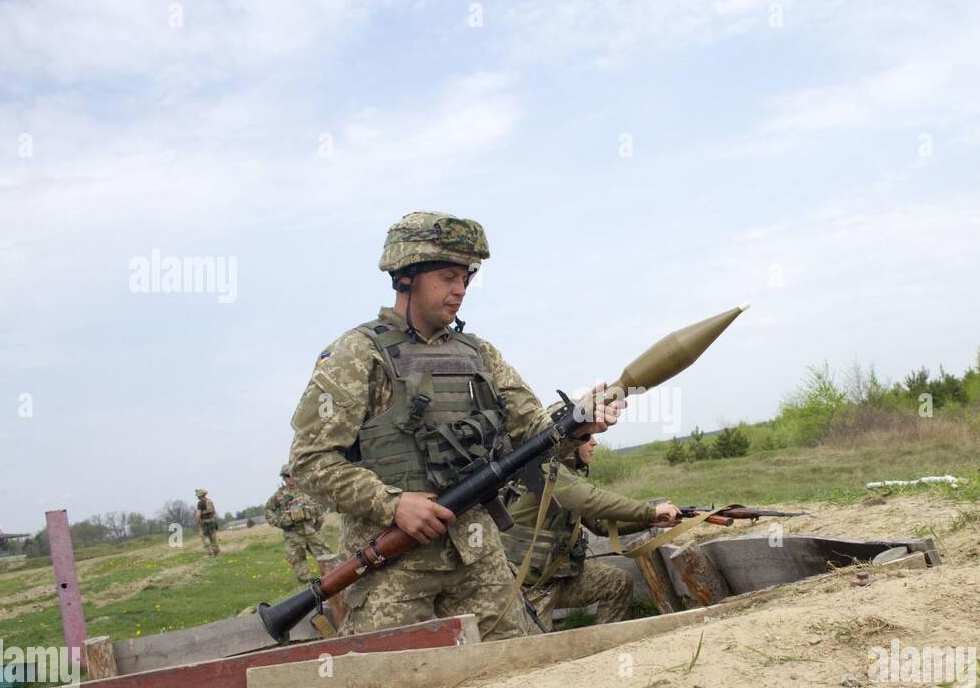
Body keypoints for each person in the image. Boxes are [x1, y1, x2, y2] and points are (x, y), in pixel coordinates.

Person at [288, 211, 623, 639]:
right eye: (448, 276)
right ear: (406, 275)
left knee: (519, 670)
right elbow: (310, 463)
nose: (460, 290)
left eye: (466, 277)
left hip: (478, 555)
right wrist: (393, 504)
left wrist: (579, 425)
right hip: (392, 564)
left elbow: (536, 436)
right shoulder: (357, 355)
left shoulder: (479, 354)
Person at [501, 430, 680, 629]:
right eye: (586, 438)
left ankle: (605, 645)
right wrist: (649, 512)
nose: (594, 443)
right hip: (529, 588)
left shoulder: (566, 475)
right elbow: (591, 500)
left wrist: (650, 521)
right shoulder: (547, 471)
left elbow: (600, 524)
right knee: (536, 653)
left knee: (618, 582)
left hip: (557, 579)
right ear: (568, 443)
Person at [264, 465, 328, 584]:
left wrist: (319, 521)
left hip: (311, 530)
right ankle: (309, 590)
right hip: (293, 534)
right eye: (287, 477)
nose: (291, 479)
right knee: (298, 562)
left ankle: (332, 582)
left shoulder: (306, 490)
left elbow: (319, 505)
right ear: (284, 478)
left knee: (326, 556)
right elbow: (268, 511)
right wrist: (280, 522)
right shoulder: (279, 496)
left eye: (293, 476)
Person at [193, 488, 220, 556]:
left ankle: (210, 553)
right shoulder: (209, 501)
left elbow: (198, 515)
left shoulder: (200, 503)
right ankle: (216, 552)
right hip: (212, 522)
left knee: (204, 538)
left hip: (204, 523)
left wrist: (198, 522)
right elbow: (214, 512)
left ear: (200, 495)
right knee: (213, 538)